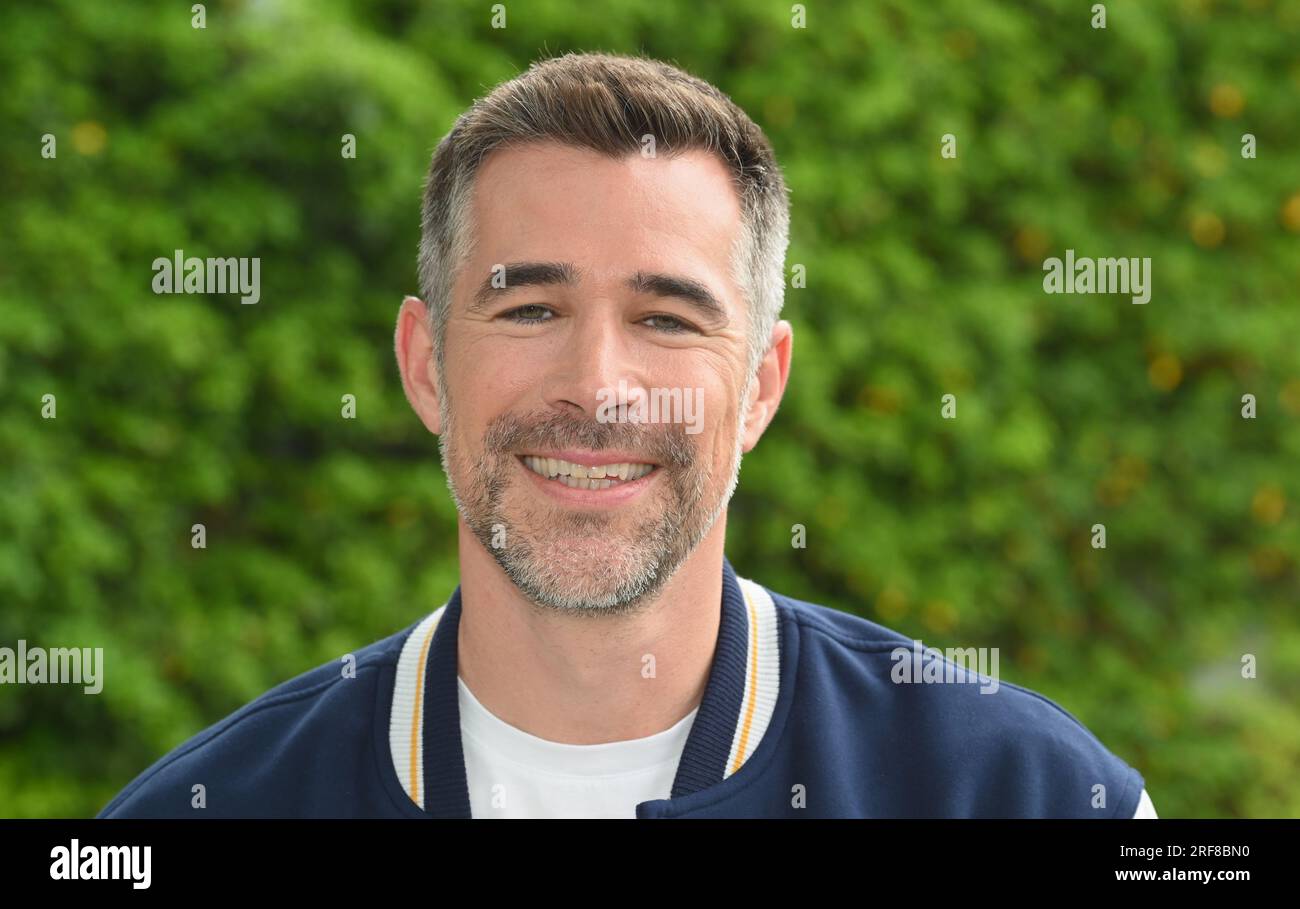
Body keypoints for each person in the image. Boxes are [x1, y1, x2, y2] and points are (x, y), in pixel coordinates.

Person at [99, 51, 1156, 819]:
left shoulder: (1027, 797)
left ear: (758, 387)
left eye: (666, 319)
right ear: (425, 365)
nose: (599, 390)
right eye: (528, 310)